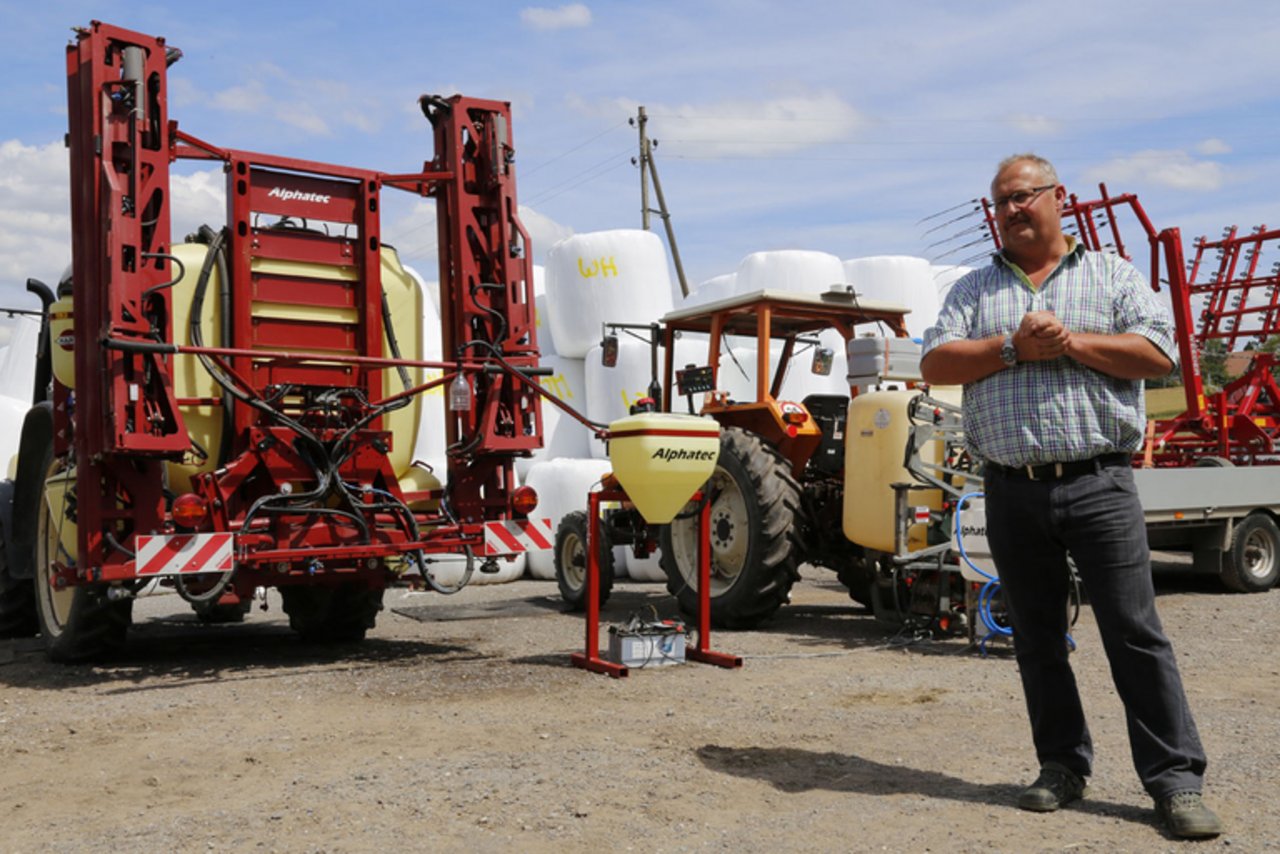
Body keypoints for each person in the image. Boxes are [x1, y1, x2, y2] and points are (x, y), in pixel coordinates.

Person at [920, 154, 1222, 840]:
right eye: (1001, 202)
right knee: (1036, 637)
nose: (1011, 210)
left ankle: (1175, 782)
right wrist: (1012, 349)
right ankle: (1061, 766)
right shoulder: (972, 289)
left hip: (1098, 483)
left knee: (1134, 633)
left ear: (1059, 197)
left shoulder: (1111, 274)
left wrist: (1068, 342)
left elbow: (1159, 355)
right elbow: (936, 362)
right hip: (1011, 489)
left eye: (1023, 196)